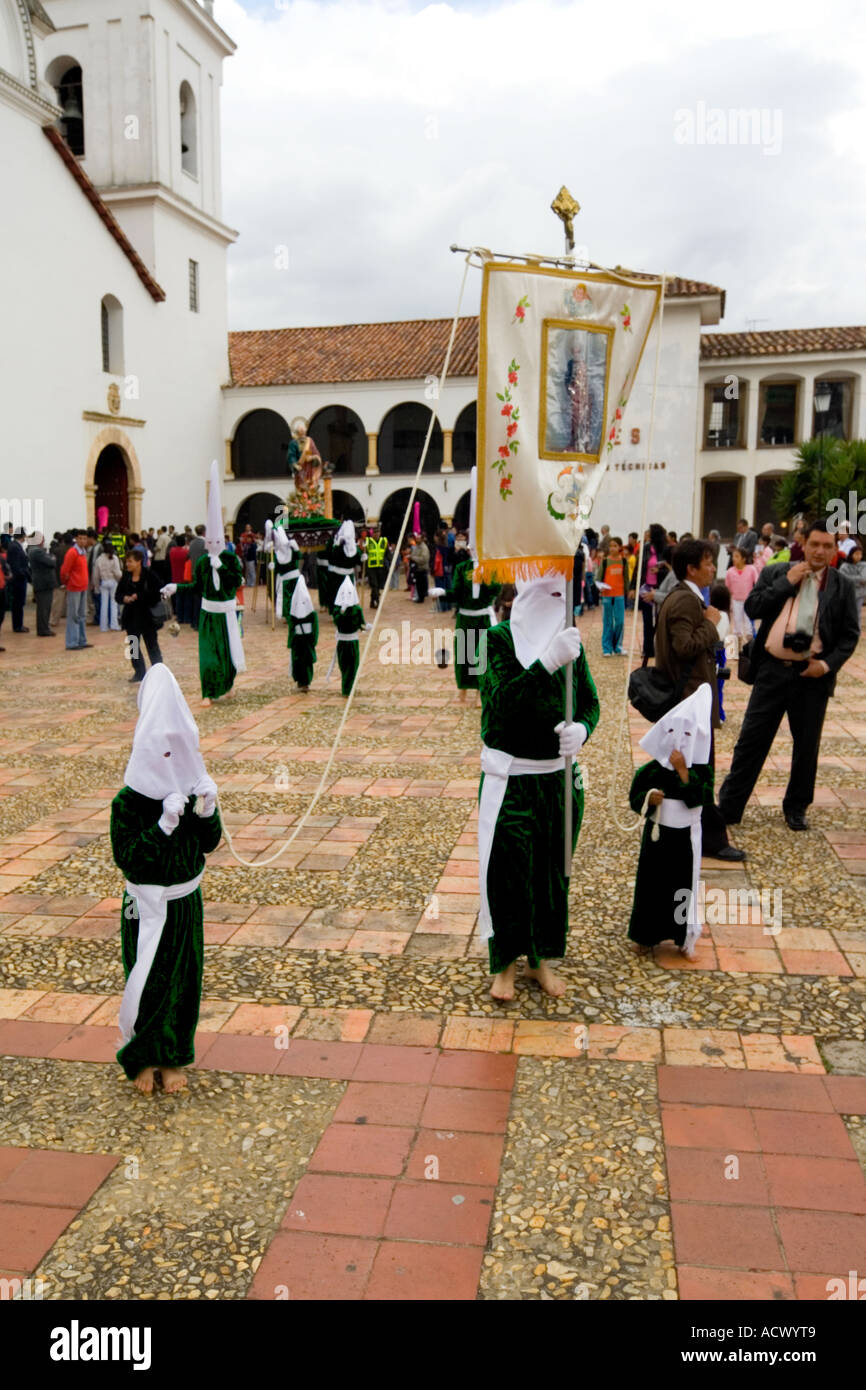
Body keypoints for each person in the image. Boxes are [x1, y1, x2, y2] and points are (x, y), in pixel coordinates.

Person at [478, 573, 599, 1002]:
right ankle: (505, 965)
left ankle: (541, 959)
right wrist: (546, 662)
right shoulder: (495, 641)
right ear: (524, 596)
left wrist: (582, 729)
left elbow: (589, 700)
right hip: (512, 779)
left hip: (559, 782)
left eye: (561, 596)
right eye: (546, 594)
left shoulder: (570, 642)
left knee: (552, 874)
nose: (555, 603)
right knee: (509, 871)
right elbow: (502, 703)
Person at [111, 664, 221, 1094]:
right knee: (148, 977)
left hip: (184, 900)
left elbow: (208, 844)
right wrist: (162, 826)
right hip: (144, 902)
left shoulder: (193, 789)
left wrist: (206, 813)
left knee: (183, 978)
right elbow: (131, 860)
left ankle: (174, 1055)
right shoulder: (129, 801)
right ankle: (144, 1054)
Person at [718, 518, 862, 832]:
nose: (821, 551)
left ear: (835, 549)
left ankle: (796, 807)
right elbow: (753, 607)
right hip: (771, 670)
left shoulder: (840, 586)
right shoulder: (775, 572)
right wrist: (787, 582)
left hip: (811, 675)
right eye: (815, 544)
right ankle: (729, 806)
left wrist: (825, 666)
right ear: (803, 544)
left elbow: (850, 635)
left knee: (807, 745)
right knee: (751, 740)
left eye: (828, 546)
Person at [653, 538, 745, 862]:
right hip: (689, 703)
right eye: (708, 563)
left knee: (693, 768)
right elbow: (684, 647)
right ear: (691, 568)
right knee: (698, 769)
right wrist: (711, 623)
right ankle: (712, 839)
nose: (713, 569)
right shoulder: (685, 602)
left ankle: (693, 829)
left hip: (693, 700)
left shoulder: (690, 598)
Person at [627, 685, 714, 960]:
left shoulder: (700, 770)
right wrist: (648, 799)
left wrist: (683, 773)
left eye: (688, 735)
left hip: (684, 839)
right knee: (651, 887)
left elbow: (702, 799)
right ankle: (644, 936)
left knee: (682, 887)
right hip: (657, 836)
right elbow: (635, 796)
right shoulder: (653, 769)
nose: (680, 741)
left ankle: (682, 937)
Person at [162, 463, 245, 706]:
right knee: (208, 655)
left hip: (227, 613)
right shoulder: (202, 563)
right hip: (209, 615)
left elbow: (237, 581)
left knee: (227, 653)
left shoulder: (229, 559)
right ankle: (208, 692)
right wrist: (176, 587)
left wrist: (223, 568)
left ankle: (228, 685)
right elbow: (197, 586)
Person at [451, 539, 499, 704]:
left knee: (481, 655)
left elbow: (496, 589)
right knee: (463, 654)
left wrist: (485, 578)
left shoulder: (489, 570)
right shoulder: (461, 568)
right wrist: (444, 594)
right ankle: (462, 690)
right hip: (465, 617)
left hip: (482, 617)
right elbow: (456, 592)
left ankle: (480, 692)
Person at [117, 546, 163, 682]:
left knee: (152, 645)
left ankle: (158, 671)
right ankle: (139, 672)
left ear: (138, 562)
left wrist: (140, 596)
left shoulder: (150, 575)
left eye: (130, 561)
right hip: (131, 617)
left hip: (147, 617)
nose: (127, 564)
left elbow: (158, 593)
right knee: (133, 646)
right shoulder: (125, 577)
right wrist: (124, 598)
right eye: (127, 562)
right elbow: (118, 595)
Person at [330, 575, 368, 696]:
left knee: (353, 666)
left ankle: (349, 688)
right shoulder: (337, 610)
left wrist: (366, 628)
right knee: (344, 665)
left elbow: (361, 625)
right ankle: (346, 688)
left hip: (352, 641)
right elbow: (337, 622)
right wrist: (341, 612)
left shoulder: (357, 609)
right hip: (342, 641)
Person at [638, 523, 667, 663]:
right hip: (646, 587)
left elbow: (670, 570)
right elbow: (640, 568)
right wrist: (633, 587)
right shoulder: (645, 548)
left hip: (660, 588)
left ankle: (660, 647)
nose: (647, 533)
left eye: (650, 531)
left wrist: (659, 571)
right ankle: (648, 648)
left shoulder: (665, 549)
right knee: (647, 620)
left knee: (661, 619)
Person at [60, 530, 92, 650]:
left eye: (84, 538)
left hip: (83, 586)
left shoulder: (83, 552)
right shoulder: (72, 553)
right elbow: (64, 571)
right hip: (74, 587)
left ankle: (82, 640)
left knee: (82, 615)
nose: (82, 541)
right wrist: (67, 582)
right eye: (80, 538)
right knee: (73, 615)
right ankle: (72, 642)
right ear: (76, 539)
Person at [288, 572, 318, 691]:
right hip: (303, 639)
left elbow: (292, 627)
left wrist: (291, 641)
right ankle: (302, 683)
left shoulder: (307, 613)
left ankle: (304, 683)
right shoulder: (311, 614)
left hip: (302, 639)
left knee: (303, 661)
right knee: (301, 662)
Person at [597, 536, 626, 655]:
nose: (612, 548)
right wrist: (600, 586)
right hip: (607, 596)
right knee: (607, 622)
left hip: (620, 595)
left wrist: (630, 590)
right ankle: (607, 648)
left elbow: (626, 578)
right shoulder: (605, 561)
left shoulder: (623, 561)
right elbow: (598, 578)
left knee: (620, 621)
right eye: (611, 546)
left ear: (620, 547)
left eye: (615, 546)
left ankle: (617, 646)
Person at [725, 546, 758, 644]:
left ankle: (750, 642)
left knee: (748, 623)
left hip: (748, 600)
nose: (733, 559)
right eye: (733, 556)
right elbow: (727, 587)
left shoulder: (751, 569)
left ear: (744, 559)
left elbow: (757, 583)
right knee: (737, 621)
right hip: (736, 600)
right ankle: (738, 643)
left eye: (737, 556)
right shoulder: (730, 571)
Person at [27, 532, 57, 637]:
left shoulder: (34, 550)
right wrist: (52, 558)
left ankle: (44, 628)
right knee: (44, 608)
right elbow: (51, 562)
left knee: (44, 608)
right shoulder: (37, 552)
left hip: (42, 582)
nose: (44, 541)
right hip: (44, 582)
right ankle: (43, 629)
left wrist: (51, 558)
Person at [326, 519, 358, 613]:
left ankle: (349, 609)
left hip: (349, 574)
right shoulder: (336, 543)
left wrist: (360, 558)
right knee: (337, 593)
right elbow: (331, 556)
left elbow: (355, 556)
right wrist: (338, 546)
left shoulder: (352, 545)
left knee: (349, 593)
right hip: (337, 575)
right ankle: (335, 611)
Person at [5, 528, 30, 633]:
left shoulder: (15, 545)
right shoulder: (14, 547)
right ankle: (17, 626)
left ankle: (19, 624)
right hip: (18, 580)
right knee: (18, 603)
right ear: (22, 536)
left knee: (19, 603)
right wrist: (24, 574)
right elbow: (16, 565)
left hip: (19, 578)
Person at [95, 541, 123, 631]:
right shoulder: (114, 558)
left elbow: (96, 574)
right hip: (113, 582)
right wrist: (120, 579)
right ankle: (114, 625)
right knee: (114, 604)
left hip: (104, 582)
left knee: (103, 605)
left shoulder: (99, 559)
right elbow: (117, 573)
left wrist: (96, 585)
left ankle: (103, 626)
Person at [840, 542, 866, 615]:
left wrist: (849, 579)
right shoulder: (844, 566)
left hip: (860, 593)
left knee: (857, 613)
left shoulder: (864, 565)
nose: (859, 556)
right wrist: (859, 581)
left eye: (860, 554)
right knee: (847, 613)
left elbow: (864, 578)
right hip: (847, 593)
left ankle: (857, 626)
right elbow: (842, 579)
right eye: (857, 554)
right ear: (851, 554)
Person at [169, 533, 190, 622]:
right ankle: (186, 617)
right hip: (184, 577)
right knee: (186, 598)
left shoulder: (172, 551)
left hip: (175, 576)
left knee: (178, 598)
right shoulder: (186, 552)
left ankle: (179, 616)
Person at [364, 527, 387, 609]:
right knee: (374, 584)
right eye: (375, 532)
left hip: (380, 567)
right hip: (371, 567)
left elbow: (386, 553)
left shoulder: (384, 541)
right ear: (372, 533)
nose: (376, 534)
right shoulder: (368, 541)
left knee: (378, 585)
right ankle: (377, 600)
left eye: (378, 532)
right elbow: (364, 551)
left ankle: (372, 601)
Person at [411, 533, 430, 603]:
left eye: (418, 538)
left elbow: (424, 559)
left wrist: (413, 558)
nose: (417, 539)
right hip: (417, 568)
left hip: (422, 568)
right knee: (418, 584)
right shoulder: (417, 547)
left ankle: (421, 598)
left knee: (422, 585)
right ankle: (419, 597)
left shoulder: (424, 548)